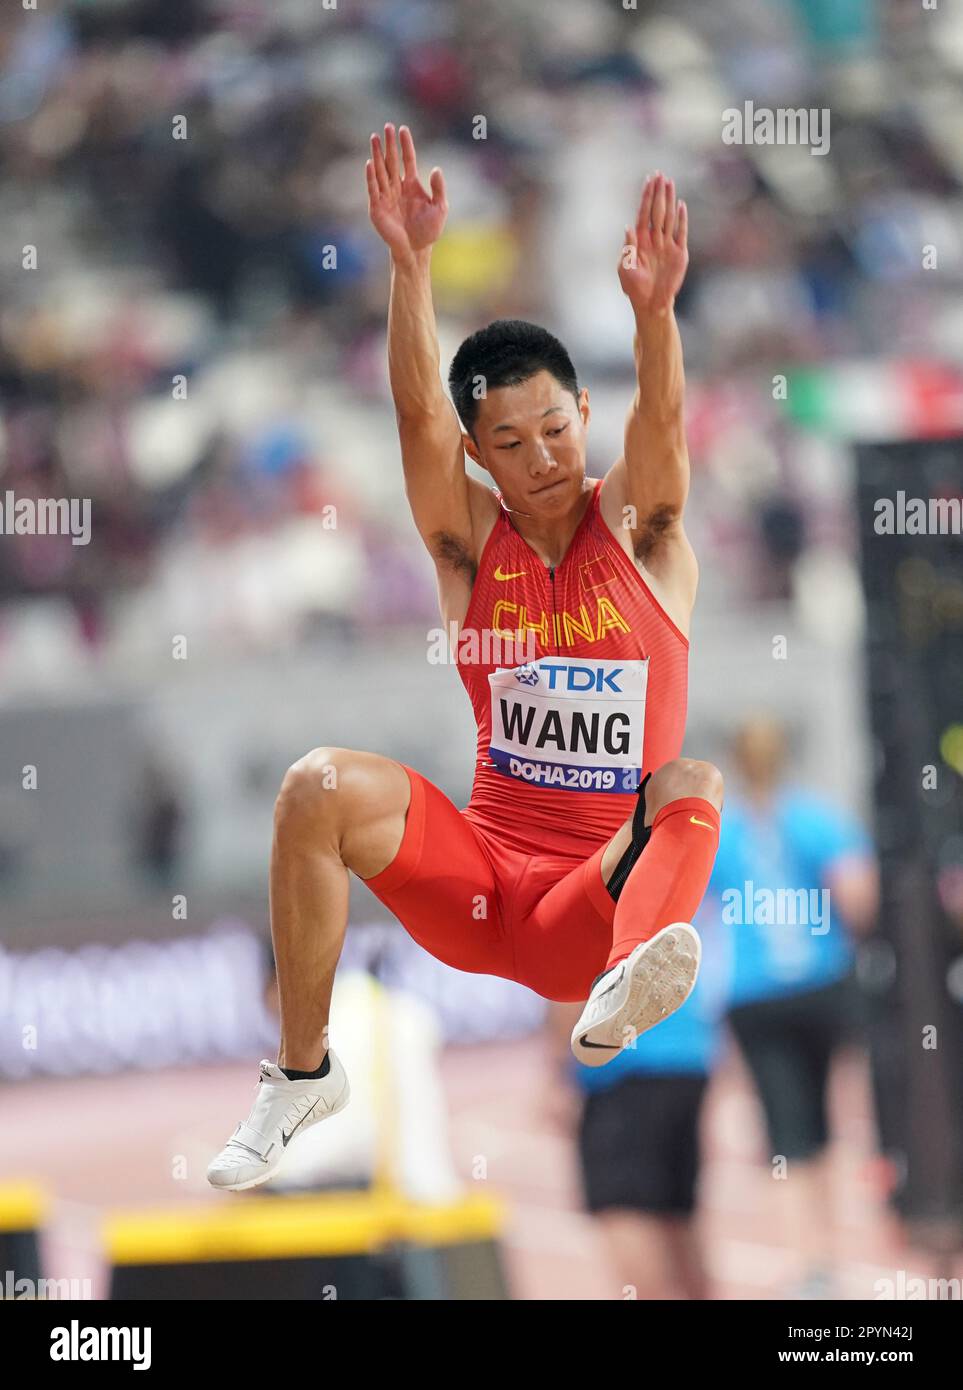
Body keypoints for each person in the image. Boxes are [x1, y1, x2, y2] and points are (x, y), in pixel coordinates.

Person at [207, 124, 723, 1192]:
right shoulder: (468, 550)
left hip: (593, 902)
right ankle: (302, 1070)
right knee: (315, 786)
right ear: (479, 452)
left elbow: (665, 440)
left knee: (690, 781)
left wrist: (656, 319)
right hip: (483, 891)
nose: (542, 457)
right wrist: (408, 265)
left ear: (586, 415)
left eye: (556, 429)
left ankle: (630, 976)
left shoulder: (646, 539)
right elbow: (412, 419)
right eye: (511, 442)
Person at [713, 716, 879, 1296]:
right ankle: (831, 1247)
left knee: (783, 1128)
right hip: (821, 982)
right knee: (825, 1116)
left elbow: (690, 908)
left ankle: (806, 1262)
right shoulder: (815, 816)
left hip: (754, 993)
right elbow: (858, 897)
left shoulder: (721, 831)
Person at [546, 895, 727, 1300]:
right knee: (676, 1211)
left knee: (622, 1208)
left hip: (621, 1069)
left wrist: (558, 1075)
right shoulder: (664, 864)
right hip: (689, 1056)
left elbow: (569, 982)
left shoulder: (585, 875)